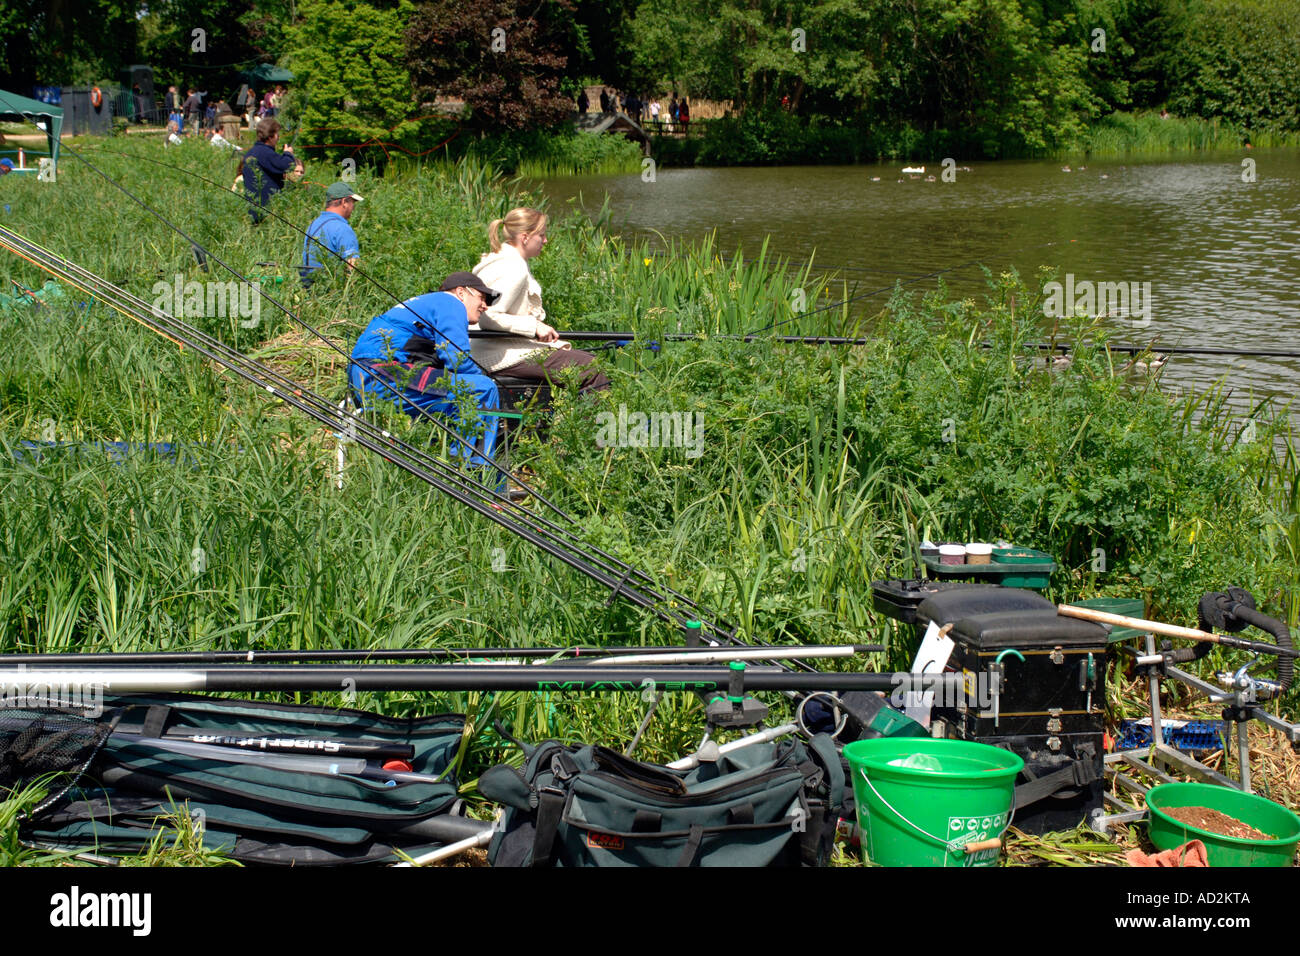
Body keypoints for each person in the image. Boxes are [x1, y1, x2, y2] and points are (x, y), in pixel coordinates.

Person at [350, 273, 504, 464]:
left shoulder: (428, 304)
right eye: (482, 297)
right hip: (382, 374)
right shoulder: (451, 303)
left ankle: (439, 462)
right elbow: (456, 359)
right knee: (483, 389)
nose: (486, 306)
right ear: (461, 292)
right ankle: (472, 472)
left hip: (365, 378)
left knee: (451, 399)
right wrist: (488, 380)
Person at [470, 207, 610, 395]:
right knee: (593, 369)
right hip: (498, 354)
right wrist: (533, 326)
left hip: (497, 347)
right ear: (525, 237)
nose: (545, 241)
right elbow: (487, 316)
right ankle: (590, 424)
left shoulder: (504, 259)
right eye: (541, 235)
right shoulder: (512, 268)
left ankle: (562, 418)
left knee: (587, 361)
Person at [301, 181, 363, 287]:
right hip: (332, 291)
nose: (353, 207)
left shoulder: (314, 224)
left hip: (310, 289)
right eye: (353, 202)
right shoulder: (342, 228)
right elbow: (353, 267)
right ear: (344, 202)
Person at [240, 118, 302, 223]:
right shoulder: (265, 153)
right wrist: (288, 154)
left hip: (253, 208)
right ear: (270, 137)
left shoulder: (251, 152)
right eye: (277, 134)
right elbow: (286, 165)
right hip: (267, 210)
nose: (278, 138)